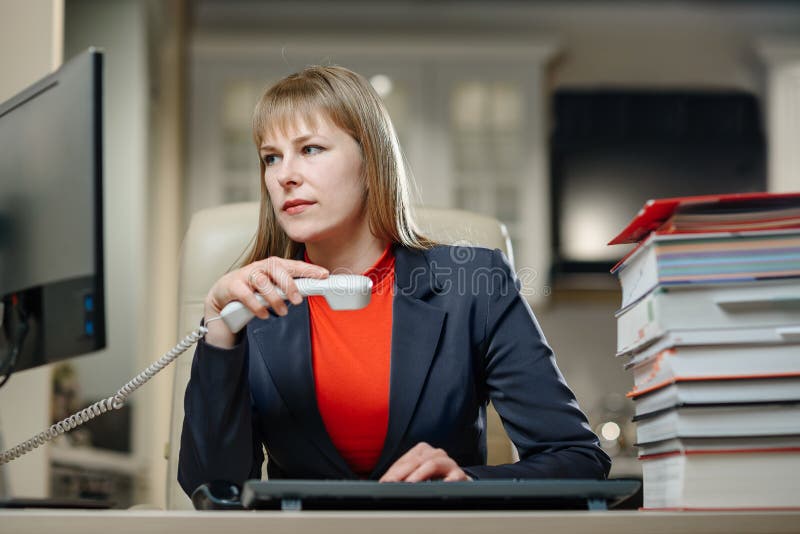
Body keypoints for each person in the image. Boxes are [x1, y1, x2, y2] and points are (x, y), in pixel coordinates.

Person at [178, 66, 610, 496]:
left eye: (310, 149)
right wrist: (220, 330)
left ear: (371, 160)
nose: (283, 175)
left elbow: (577, 457)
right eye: (270, 157)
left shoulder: (475, 285)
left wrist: (466, 483)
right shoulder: (252, 306)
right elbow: (215, 491)